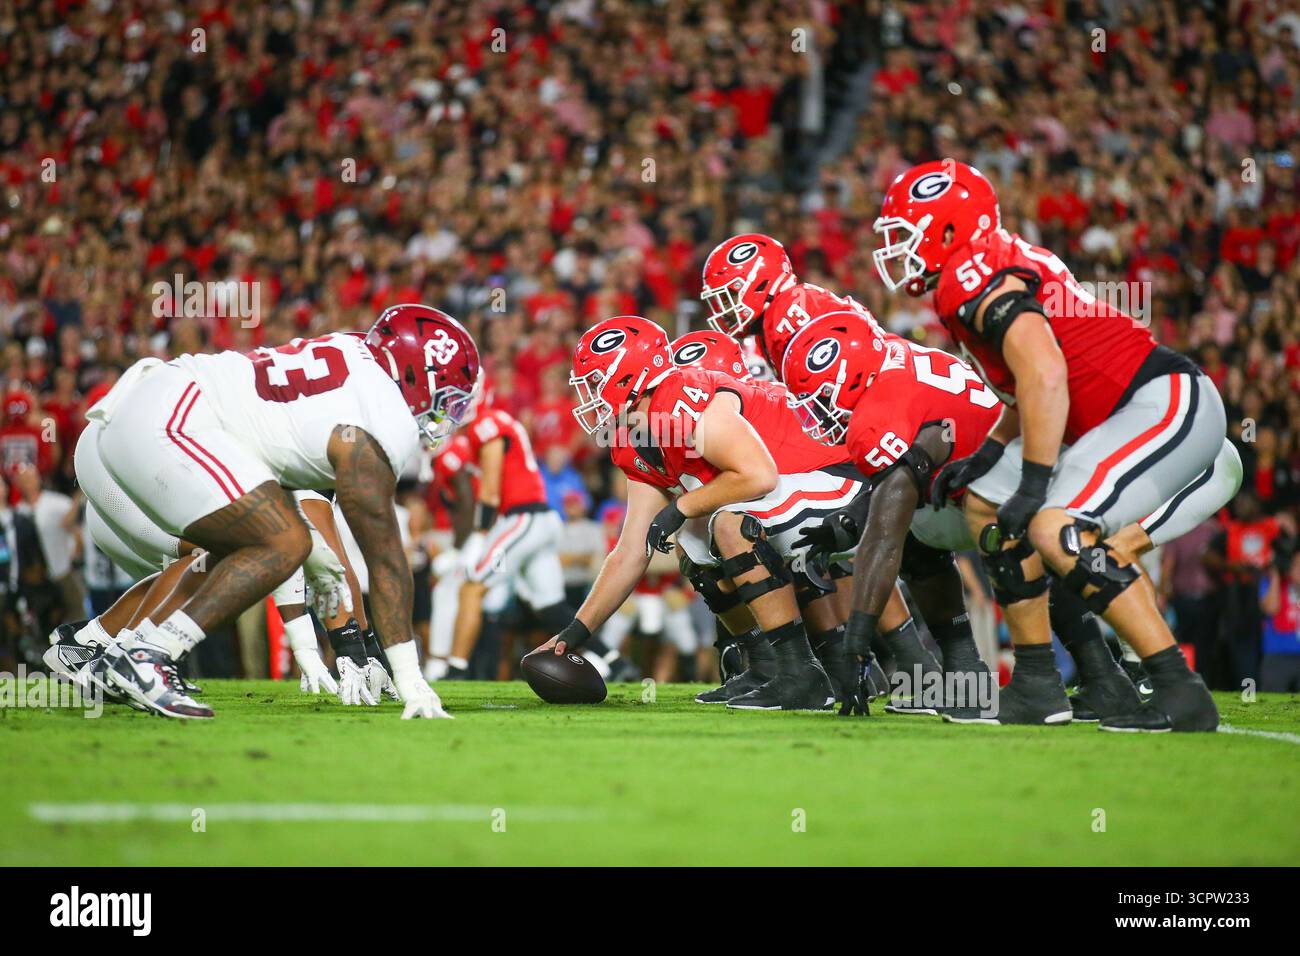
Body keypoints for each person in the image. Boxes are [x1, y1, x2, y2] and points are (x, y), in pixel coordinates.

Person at [873, 160, 1239, 732]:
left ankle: (1178, 688)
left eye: (909, 236)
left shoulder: (973, 272)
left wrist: (1036, 482)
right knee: (984, 503)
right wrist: (992, 455)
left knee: (1056, 528)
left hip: (1157, 401)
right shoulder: (986, 264)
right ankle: (1039, 682)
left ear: (949, 233)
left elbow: (1046, 376)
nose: (901, 253)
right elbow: (1033, 383)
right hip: (1112, 416)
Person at [81, 304, 480, 720]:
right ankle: (149, 655)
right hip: (166, 423)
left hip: (140, 414)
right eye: (445, 394)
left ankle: (121, 650)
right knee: (284, 541)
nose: (444, 411)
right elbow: (384, 560)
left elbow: (309, 543)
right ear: (415, 373)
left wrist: (332, 641)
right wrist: (410, 679)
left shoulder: (351, 356)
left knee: (244, 544)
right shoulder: (385, 418)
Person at [537, 315, 874, 711]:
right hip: (794, 490)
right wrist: (577, 632)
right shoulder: (634, 436)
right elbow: (631, 551)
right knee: (692, 542)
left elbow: (757, 476)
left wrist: (681, 506)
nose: (588, 396)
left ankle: (801, 673)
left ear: (628, 378)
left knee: (727, 524)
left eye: (594, 382)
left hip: (843, 479)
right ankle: (764, 665)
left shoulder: (682, 397)